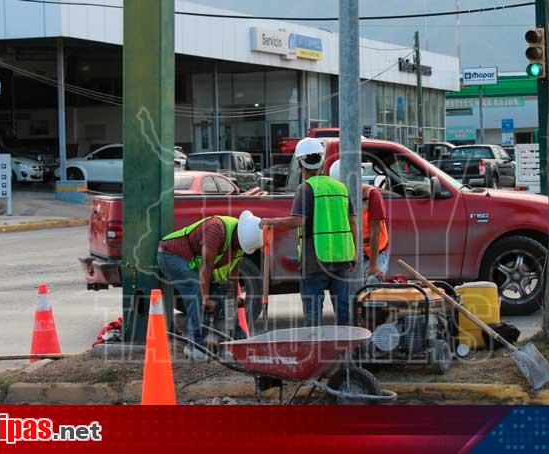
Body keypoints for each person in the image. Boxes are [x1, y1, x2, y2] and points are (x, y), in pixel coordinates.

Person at [260, 138, 359, 327]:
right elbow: (353, 222)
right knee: (343, 314)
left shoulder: (306, 189)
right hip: (341, 259)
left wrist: (272, 221)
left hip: (315, 262)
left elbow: (298, 221)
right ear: (322, 163)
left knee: (313, 318)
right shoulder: (340, 187)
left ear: (300, 165)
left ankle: (315, 344)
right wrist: (353, 253)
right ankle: (346, 344)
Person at [156, 211, 263, 361]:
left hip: (192, 262)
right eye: (241, 245)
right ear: (239, 236)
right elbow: (206, 266)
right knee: (196, 289)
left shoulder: (238, 244)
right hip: (171, 254)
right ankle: (195, 345)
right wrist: (206, 298)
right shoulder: (216, 229)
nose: (240, 247)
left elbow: (233, 272)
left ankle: (228, 344)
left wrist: (235, 295)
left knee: (223, 290)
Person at [329, 160, 389, 282]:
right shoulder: (337, 197)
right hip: (352, 251)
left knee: (372, 281)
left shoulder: (372, 195)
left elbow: (376, 232)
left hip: (375, 251)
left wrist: (373, 265)